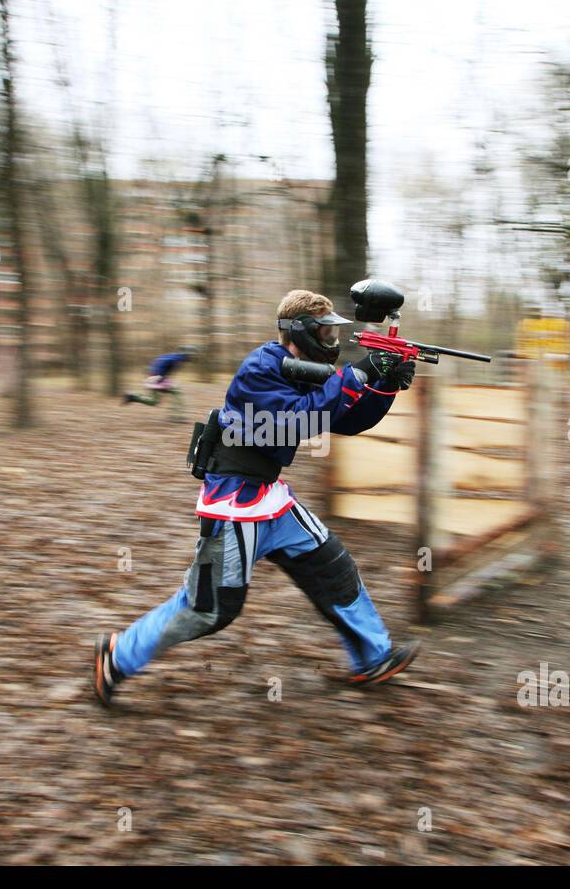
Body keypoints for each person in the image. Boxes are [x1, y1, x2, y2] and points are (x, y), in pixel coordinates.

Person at [94, 289, 420, 706]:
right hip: (233, 504)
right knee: (209, 608)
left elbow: (348, 420)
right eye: (323, 331)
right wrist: (356, 376)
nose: (331, 340)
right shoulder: (259, 369)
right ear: (298, 332)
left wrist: (383, 385)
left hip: (271, 499)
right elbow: (296, 423)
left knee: (333, 568)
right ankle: (117, 655)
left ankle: (373, 657)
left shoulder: (302, 372)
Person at [123, 348, 195, 423]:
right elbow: (164, 365)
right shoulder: (176, 359)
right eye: (188, 358)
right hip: (157, 378)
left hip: (152, 377)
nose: (187, 361)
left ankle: (133, 397)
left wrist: (152, 375)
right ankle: (177, 416)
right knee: (176, 392)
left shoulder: (168, 356)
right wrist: (159, 377)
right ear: (185, 356)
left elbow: (155, 363)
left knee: (154, 401)